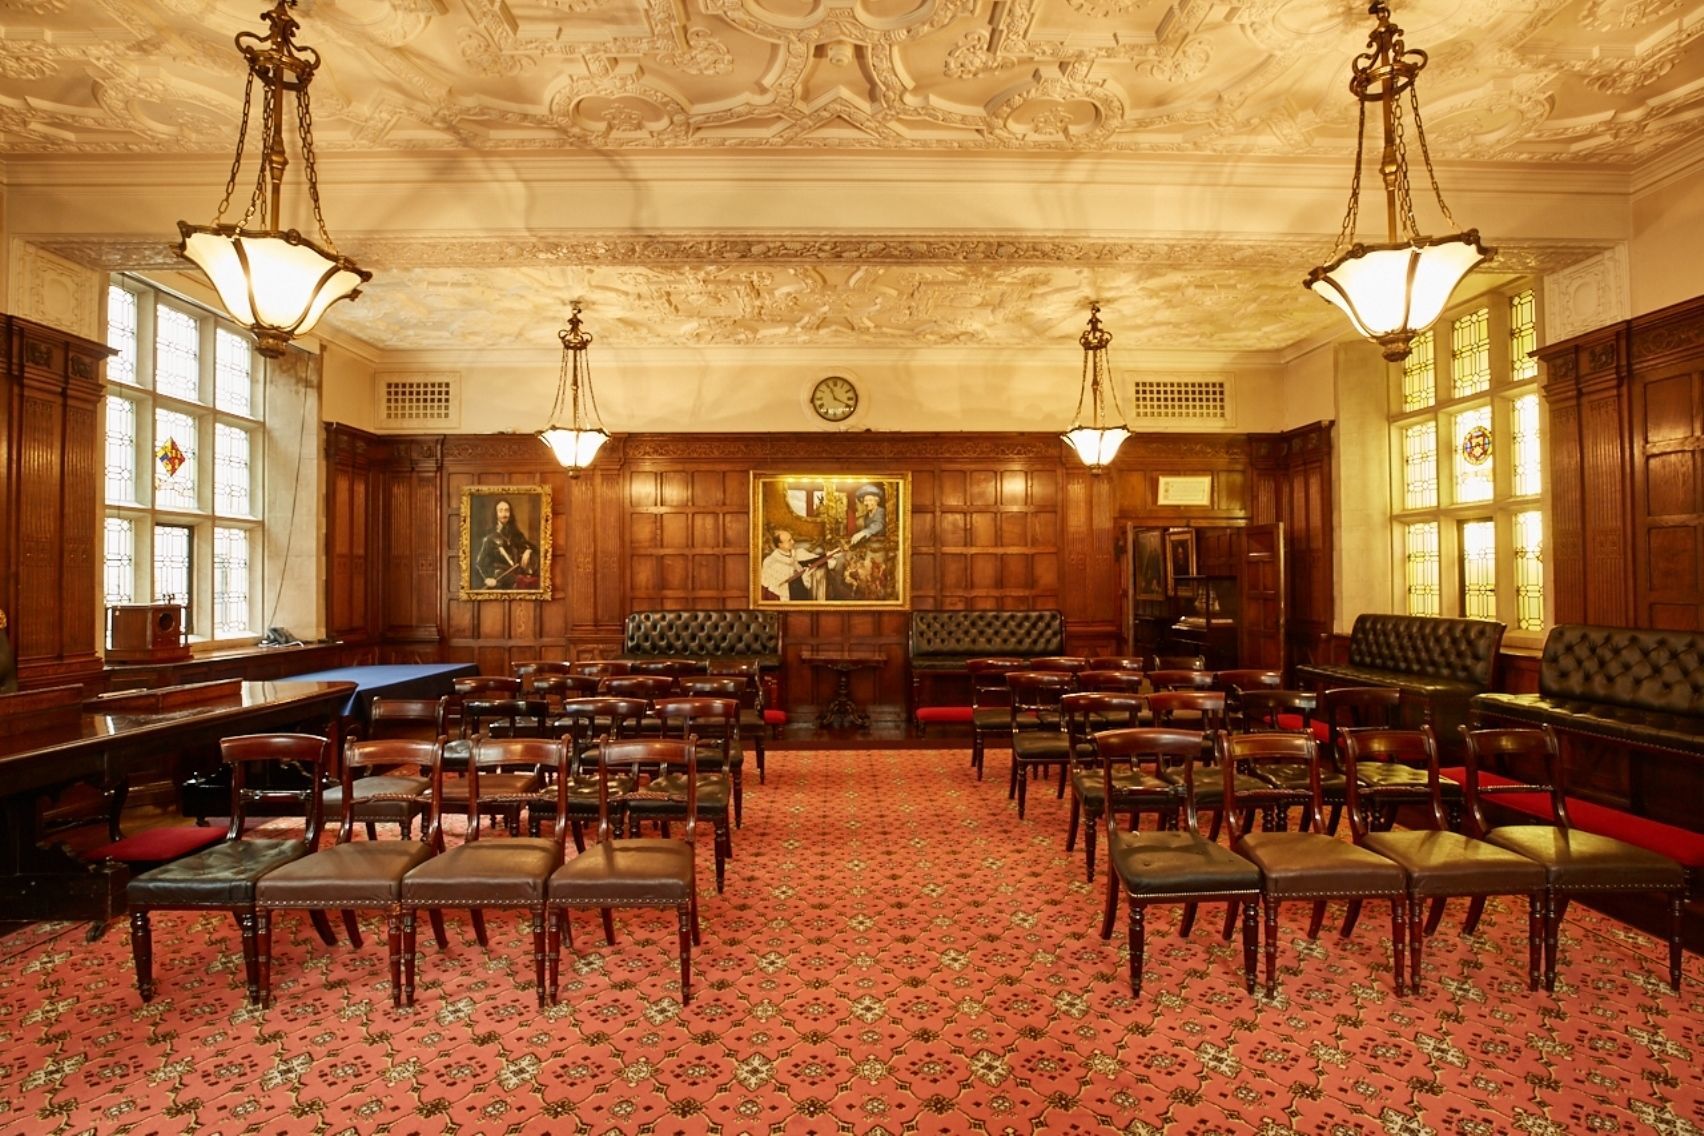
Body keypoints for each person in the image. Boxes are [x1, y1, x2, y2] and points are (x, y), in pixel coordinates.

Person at [475, 498, 537, 589]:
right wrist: (487, 578)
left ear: (510, 513)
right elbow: (479, 563)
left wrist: (528, 551)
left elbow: (531, 547)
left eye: (507, 511)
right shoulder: (489, 536)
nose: (504, 514)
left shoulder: (516, 534)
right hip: (499, 580)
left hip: (516, 577)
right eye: (500, 511)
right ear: (496, 514)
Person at [760, 528, 836, 601]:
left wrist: (828, 556)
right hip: (785, 598)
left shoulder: (798, 553)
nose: (793, 542)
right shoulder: (770, 561)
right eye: (789, 540)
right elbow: (770, 588)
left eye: (792, 539)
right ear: (780, 544)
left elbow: (813, 561)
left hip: (801, 595)